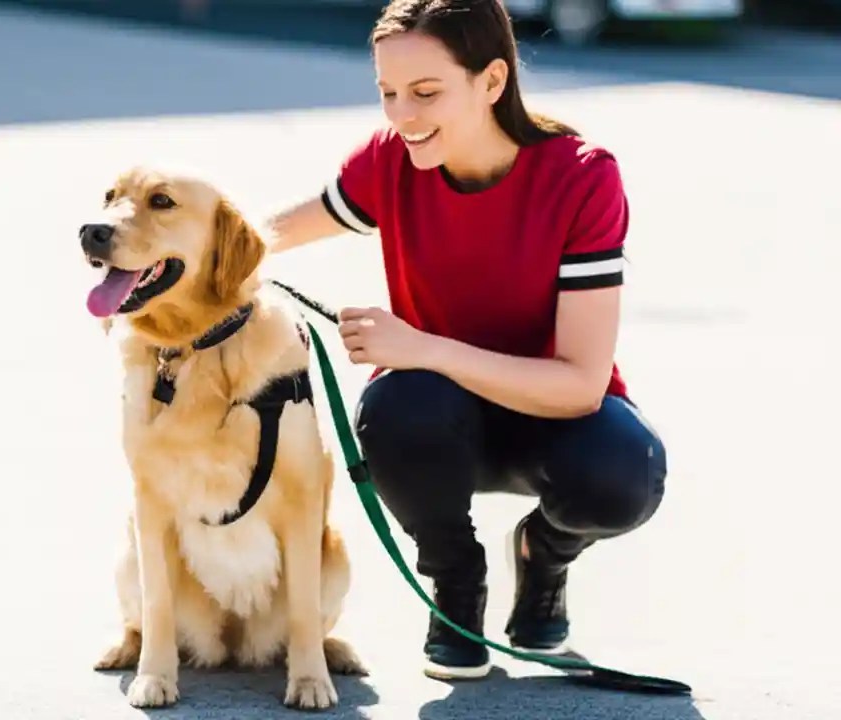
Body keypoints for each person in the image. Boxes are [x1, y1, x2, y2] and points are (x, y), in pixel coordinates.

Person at [260, 0, 667, 681]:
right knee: (395, 408)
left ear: (492, 82)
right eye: (388, 93)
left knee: (625, 476)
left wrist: (423, 347)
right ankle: (456, 584)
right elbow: (261, 237)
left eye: (425, 93)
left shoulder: (583, 177)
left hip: (554, 418)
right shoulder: (390, 161)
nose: (402, 116)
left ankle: (543, 559)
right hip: (434, 426)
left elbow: (580, 386)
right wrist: (157, 253)